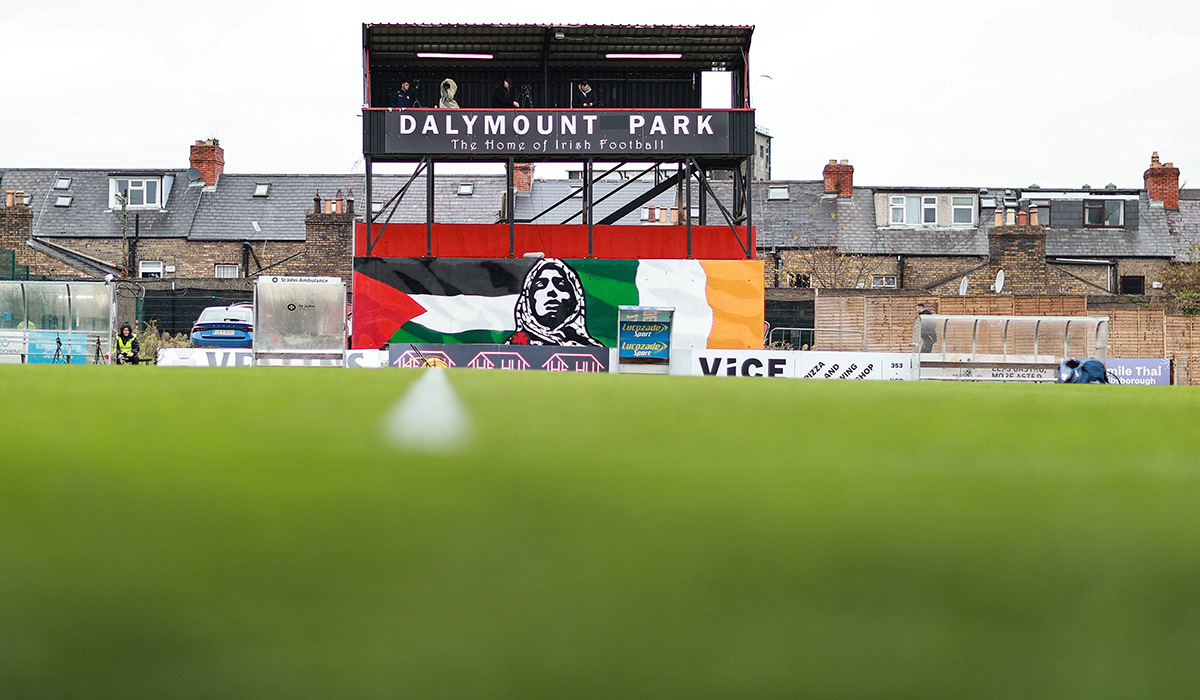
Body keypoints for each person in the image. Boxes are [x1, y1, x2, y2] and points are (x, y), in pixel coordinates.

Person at [507, 258, 602, 347]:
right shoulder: (512, 349)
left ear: (576, 296)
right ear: (527, 297)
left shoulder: (594, 352)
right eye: (541, 284)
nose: (551, 291)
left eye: (560, 284)